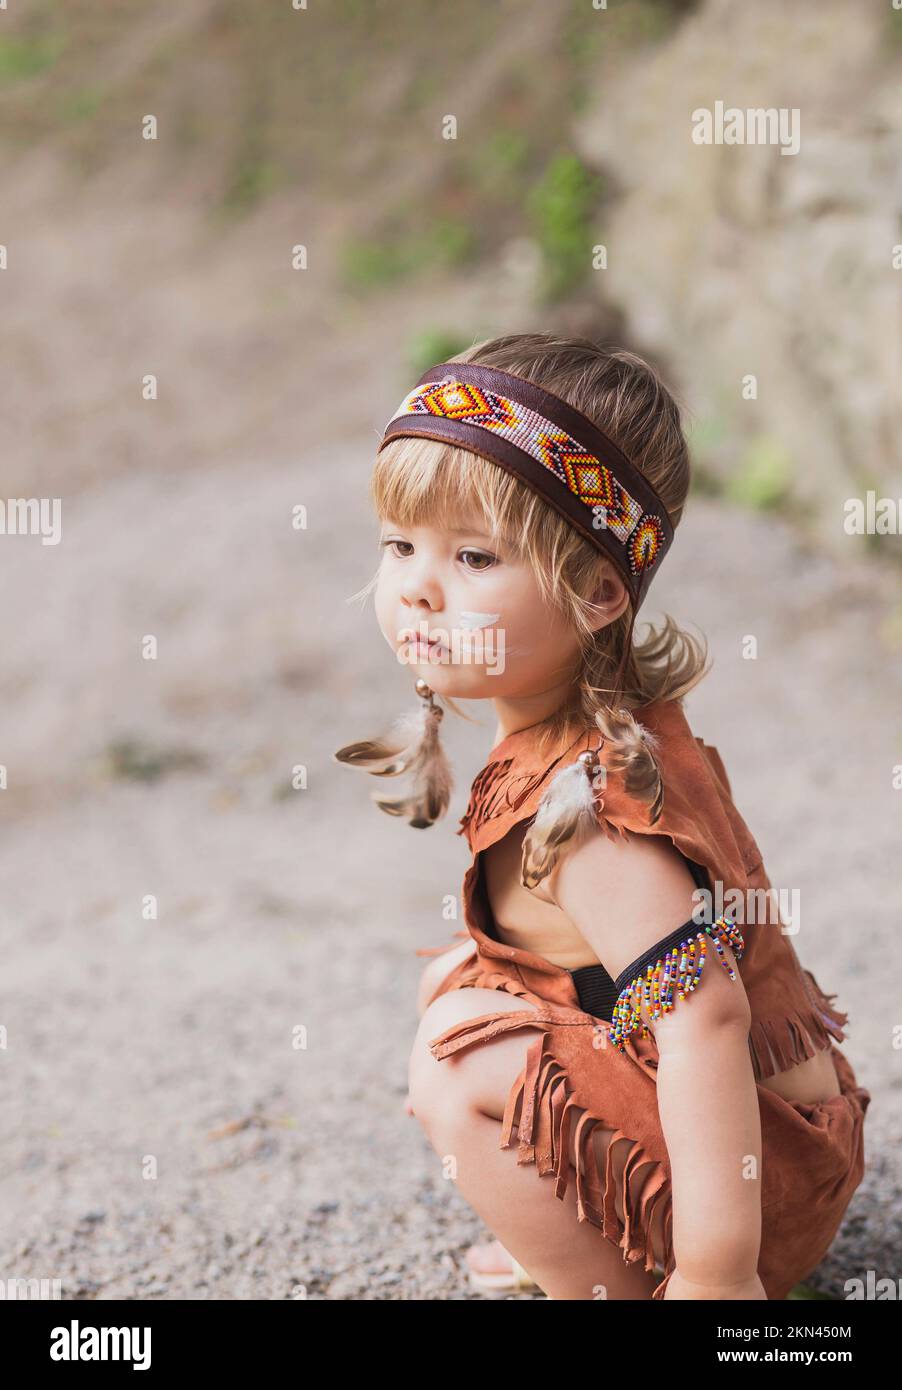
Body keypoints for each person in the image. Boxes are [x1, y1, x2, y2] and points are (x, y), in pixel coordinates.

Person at [334, 332, 870, 1300]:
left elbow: (705, 1018)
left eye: (471, 554)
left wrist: (718, 1271)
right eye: (398, 544)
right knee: (468, 972)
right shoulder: (607, 723)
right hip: (769, 1154)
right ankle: (586, 1229)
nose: (417, 582)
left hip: (763, 1196)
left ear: (595, 592)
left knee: (458, 1059)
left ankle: (633, 1278)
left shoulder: (590, 809)